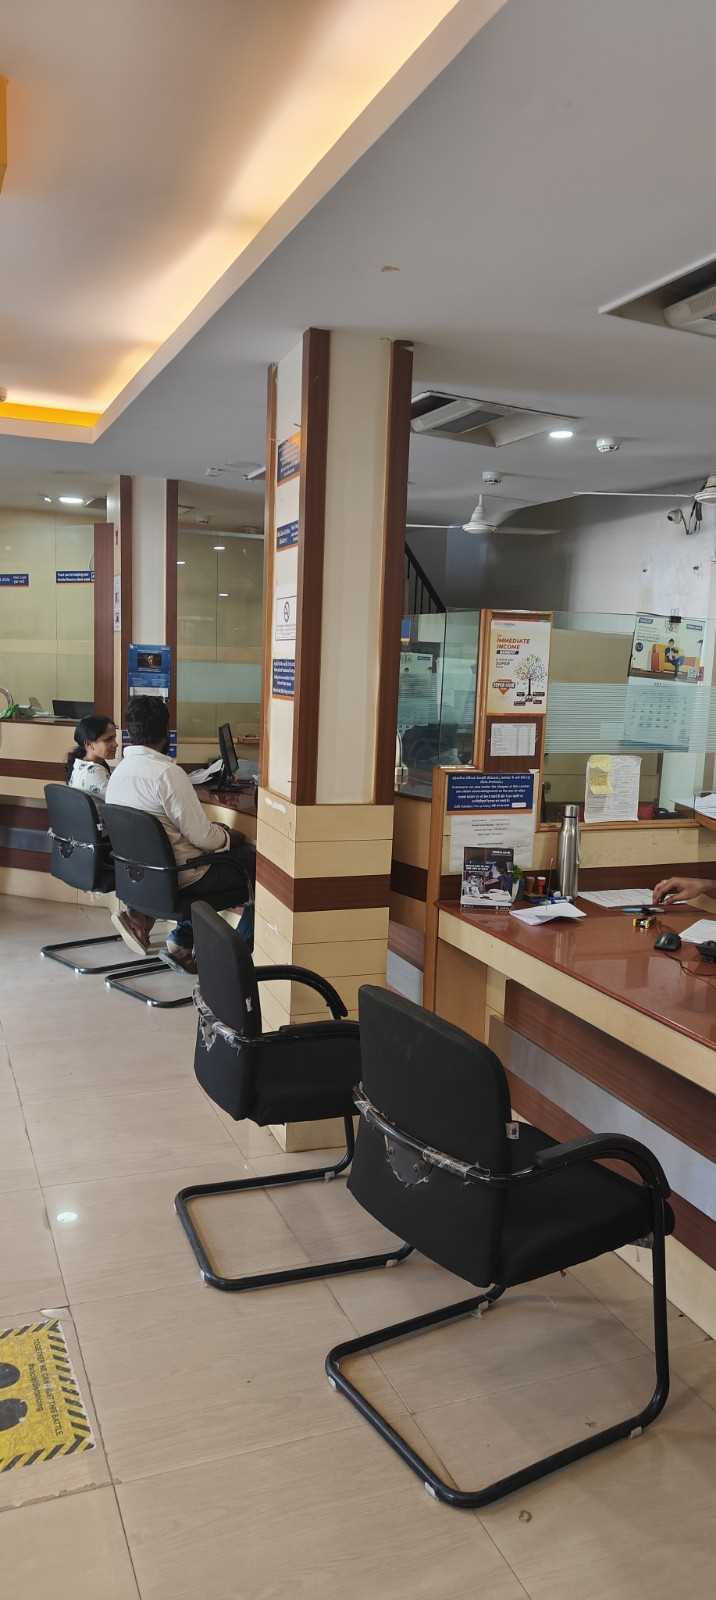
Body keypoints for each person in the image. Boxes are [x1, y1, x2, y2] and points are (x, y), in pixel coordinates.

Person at [105, 695, 254, 972]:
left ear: (129, 732)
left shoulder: (118, 773)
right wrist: (229, 836)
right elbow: (204, 838)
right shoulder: (167, 774)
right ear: (166, 733)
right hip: (183, 877)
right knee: (257, 866)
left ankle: (181, 943)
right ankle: (235, 967)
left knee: (202, 854)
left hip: (144, 875)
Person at [66, 715, 118, 801]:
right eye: (108, 740)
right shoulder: (94, 773)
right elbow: (120, 801)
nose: (116, 744)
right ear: (89, 744)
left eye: (114, 738)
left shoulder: (79, 765)